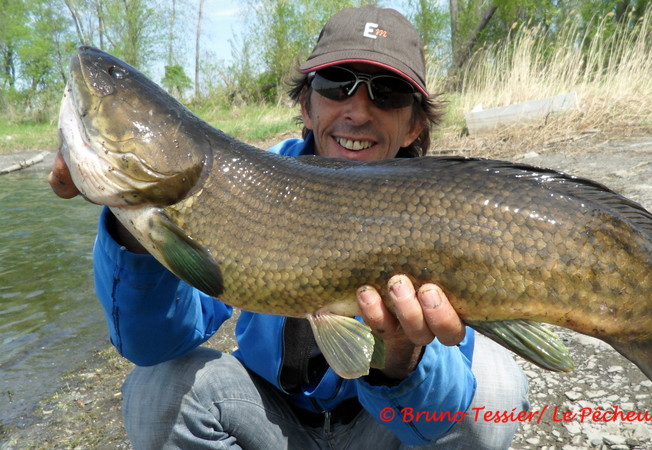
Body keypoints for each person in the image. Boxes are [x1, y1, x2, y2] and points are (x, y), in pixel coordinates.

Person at [49, 5, 529, 449]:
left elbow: (438, 417)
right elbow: (151, 343)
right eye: (337, 84)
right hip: (270, 420)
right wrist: (137, 223)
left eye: (387, 92)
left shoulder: (446, 208)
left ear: (413, 127)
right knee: (157, 387)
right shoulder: (244, 184)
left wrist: (400, 359)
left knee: (497, 387)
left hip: (383, 429)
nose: (358, 111)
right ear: (307, 106)